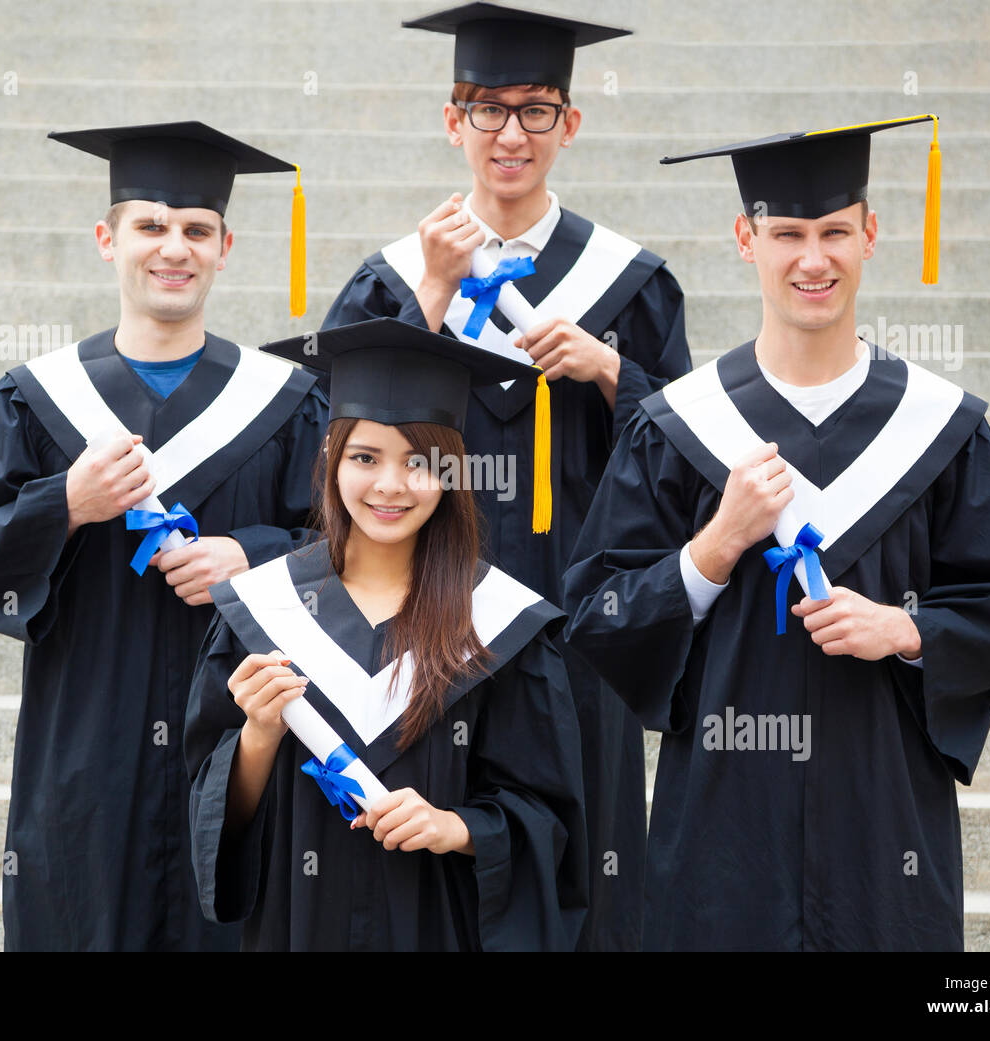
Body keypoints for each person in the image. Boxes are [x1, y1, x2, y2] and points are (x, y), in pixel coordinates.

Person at [562, 115, 990, 951]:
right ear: (746, 239)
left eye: (833, 232)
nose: (813, 258)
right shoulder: (679, 428)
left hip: (884, 827)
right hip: (721, 831)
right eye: (787, 233)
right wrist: (713, 547)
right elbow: (595, 612)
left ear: (870, 235)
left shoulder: (939, 430)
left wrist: (904, 629)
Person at [321, 1, 690, 951]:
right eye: (487, 108)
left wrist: (614, 374)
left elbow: (692, 465)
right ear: (454, 123)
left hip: (579, 626)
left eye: (536, 109)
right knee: (440, 860)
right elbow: (334, 455)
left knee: (590, 868)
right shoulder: (392, 280)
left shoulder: (629, 284)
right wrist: (434, 298)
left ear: (570, 124)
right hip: (429, 624)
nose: (511, 132)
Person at [0, 121, 328, 951]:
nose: (173, 247)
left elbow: (355, 546)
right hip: (85, 747)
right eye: (150, 225)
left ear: (224, 246)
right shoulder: (38, 399)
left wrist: (252, 553)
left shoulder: (284, 402)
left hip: (236, 744)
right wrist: (61, 502)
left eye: (195, 230)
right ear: (108, 239)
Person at [184, 317, 589, 951]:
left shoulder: (501, 624)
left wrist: (455, 826)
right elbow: (217, 821)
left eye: (418, 463)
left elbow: (546, 818)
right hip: (299, 924)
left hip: (440, 923)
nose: (391, 486)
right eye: (365, 458)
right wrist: (259, 735)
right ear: (331, 459)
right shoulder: (263, 611)